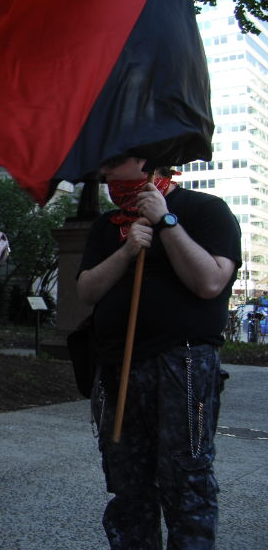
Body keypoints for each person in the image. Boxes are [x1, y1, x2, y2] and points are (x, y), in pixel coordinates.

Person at [77, 155, 241, 548]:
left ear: (148, 160)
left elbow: (210, 282)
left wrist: (166, 222)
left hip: (182, 366)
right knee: (127, 483)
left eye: (115, 161)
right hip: (117, 366)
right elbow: (86, 290)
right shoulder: (107, 225)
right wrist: (127, 251)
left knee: (186, 479)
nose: (104, 172)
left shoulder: (205, 210)